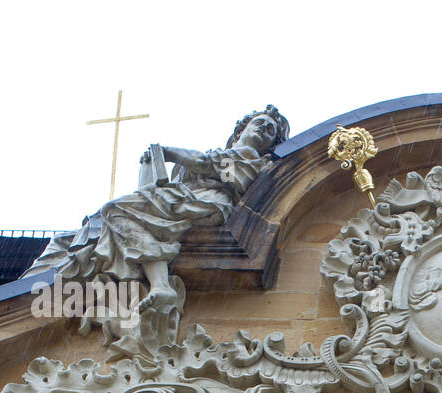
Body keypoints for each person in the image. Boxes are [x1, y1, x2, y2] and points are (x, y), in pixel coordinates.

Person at [25, 105, 289, 329]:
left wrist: (169, 153)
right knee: (70, 238)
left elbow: (213, 166)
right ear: (241, 129)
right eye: (259, 123)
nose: (263, 129)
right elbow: (158, 186)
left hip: (207, 203)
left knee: (116, 211)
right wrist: (151, 164)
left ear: (272, 144)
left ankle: (160, 285)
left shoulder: (253, 161)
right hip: (176, 200)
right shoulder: (217, 155)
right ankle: (25, 296)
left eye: (270, 130)